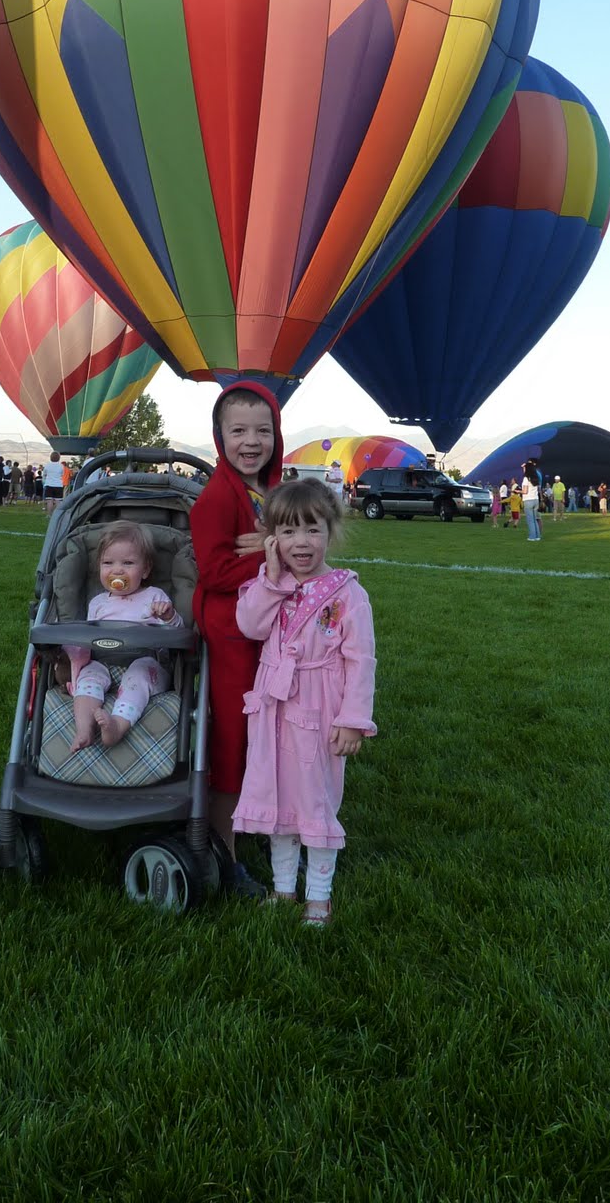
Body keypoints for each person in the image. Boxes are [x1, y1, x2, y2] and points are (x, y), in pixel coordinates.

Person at [232, 480, 376, 927]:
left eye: (313, 530)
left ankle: (319, 897)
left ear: (330, 531)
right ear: (273, 538)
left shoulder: (347, 593)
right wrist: (271, 577)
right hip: (273, 710)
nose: (302, 542)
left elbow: (361, 658)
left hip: (319, 710)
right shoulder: (271, 585)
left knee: (314, 802)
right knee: (278, 801)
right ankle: (283, 889)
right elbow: (250, 625)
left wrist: (353, 719)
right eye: (289, 532)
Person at [191, 380, 284, 898]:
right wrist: (268, 552)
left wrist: (276, 543)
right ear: (219, 436)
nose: (252, 441)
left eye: (263, 430)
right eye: (239, 430)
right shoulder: (216, 498)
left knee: (266, 729)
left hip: (263, 630)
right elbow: (215, 571)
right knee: (232, 737)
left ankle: (260, 822)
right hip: (231, 636)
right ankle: (221, 849)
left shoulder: (268, 492)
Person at [58, 521, 183, 752]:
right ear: (99, 568)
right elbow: (86, 640)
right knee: (88, 676)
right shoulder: (97, 603)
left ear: (145, 569)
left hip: (146, 663)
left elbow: (177, 632)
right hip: (103, 661)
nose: (117, 570)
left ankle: (117, 726)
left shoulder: (154, 597)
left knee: (139, 674)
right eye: (108, 563)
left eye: (128, 563)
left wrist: (168, 616)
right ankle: (84, 728)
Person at [521, 459, 542, 541]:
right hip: (535, 500)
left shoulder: (526, 479)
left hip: (528, 500)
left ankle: (532, 536)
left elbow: (525, 491)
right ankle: (537, 536)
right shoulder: (535, 478)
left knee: (530, 520)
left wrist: (517, 491)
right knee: (535, 519)